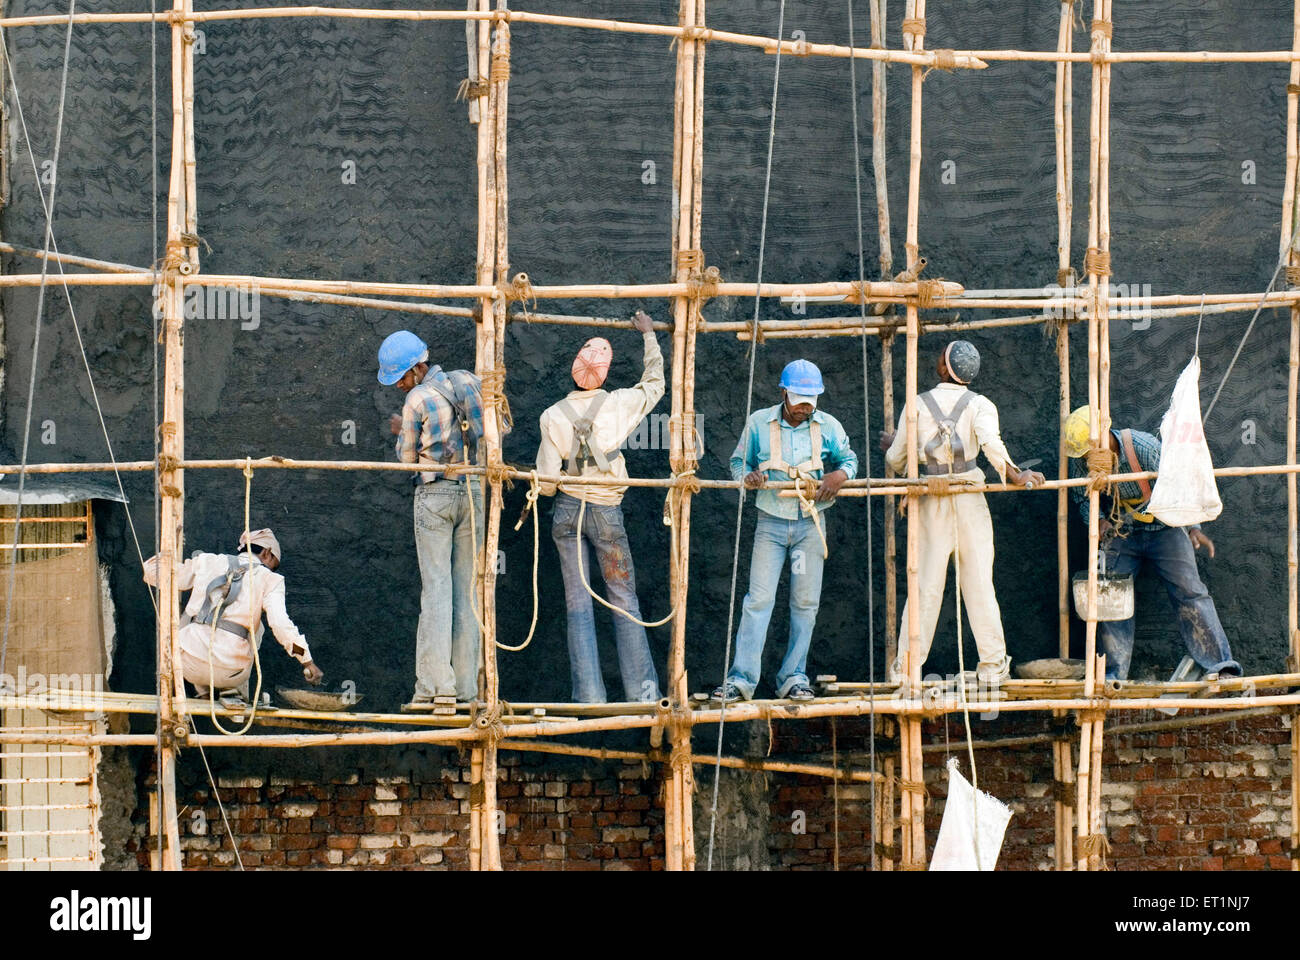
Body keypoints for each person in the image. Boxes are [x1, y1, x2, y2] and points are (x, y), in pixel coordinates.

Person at [880, 340, 1044, 684]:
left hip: (931, 500)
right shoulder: (981, 404)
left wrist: (895, 443)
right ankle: (993, 666)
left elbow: (895, 460)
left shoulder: (918, 404)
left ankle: (907, 671)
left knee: (925, 585)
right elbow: (990, 443)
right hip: (970, 498)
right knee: (980, 584)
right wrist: (1014, 473)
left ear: (943, 368)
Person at [535, 310, 665, 703]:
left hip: (568, 514)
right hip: (607, 513)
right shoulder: (620, 403)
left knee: (578, 602)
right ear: (605, 374)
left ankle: (590, 696)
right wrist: (649, 337)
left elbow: (545, 483)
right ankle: (642, 696)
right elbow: (655, 384)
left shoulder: (551, 415)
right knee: (624, 599)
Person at [713, 359, 858, 703]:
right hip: (771, 524)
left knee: (805, 603)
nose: (805, 407)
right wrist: (746, 479)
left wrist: (839, 476)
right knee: (758, 600)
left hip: (810, 525)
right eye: (798, 399)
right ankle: (741, 680)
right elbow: (738, 463)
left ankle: (793, 677)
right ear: (783, 393)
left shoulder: (828, 426)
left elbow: (848, 459)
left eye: (811, 400)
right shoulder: (759, 424)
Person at [1064, 405, 1240, 682]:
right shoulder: (1083, 459)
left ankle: (1221, 665)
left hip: (1165, 529)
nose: (1087, 458)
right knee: (1110, 598)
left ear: (1104, 436)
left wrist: (1193, 527)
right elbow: (1083, 498)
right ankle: (1113, 676)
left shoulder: (1143, 447)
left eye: (1089, 451)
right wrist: (1098, 521)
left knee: (1190, 591)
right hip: (1123, 532)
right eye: (1083, 455)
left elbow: (1178, 487)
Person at [380, 330, 498, 704]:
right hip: (473, 492)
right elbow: (498, 431)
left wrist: (402, 430)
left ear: (417, 368)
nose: (399, 384)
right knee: (466, 591)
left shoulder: (417, 399)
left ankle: (436, 689)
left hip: (435, 495)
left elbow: (406, 460)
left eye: (400, 376)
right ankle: (464, 689)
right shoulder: (467, 381)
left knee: (436, 592)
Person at [143, 528, 323, 708]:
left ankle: (203, 691)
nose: (270, 570)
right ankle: (234, 690)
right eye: (272, 565)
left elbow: (152, 573)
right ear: (266, 553)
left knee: (190, 618)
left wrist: (168, 548)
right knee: (256, 626)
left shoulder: (206, 561)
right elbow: (280, 624)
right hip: (232, 673)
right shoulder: (271, 580)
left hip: (185, 666)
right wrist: (307, 661)